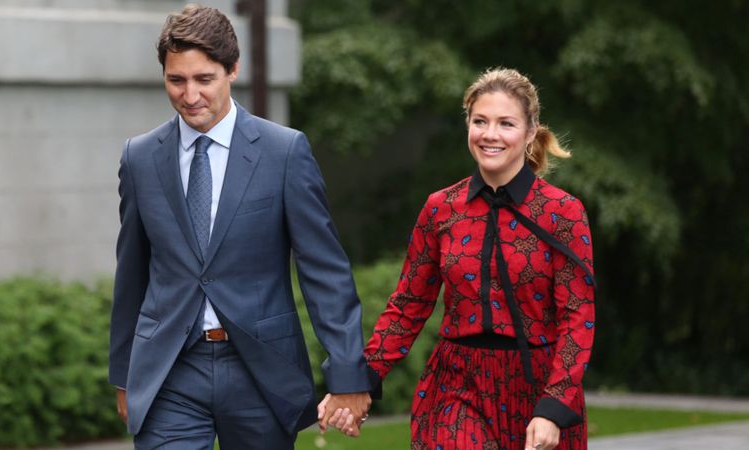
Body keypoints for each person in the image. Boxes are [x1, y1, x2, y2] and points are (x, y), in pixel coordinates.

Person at [108, 5, 371, 449]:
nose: (190, 95)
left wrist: (347, 372)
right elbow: (131, 272)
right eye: (177, 80)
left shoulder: (284, 152)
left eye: (203, 79)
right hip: (170, 370)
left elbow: (324, 271)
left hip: (260, 371)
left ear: (233, 69)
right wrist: (124, 375)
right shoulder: (140, 157)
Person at [325, 68, 595, 449]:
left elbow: (578, 317)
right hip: (457, 385)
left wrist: (554, 405)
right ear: (468, 124)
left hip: (539, 386)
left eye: (506, 123)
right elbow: (408, 305)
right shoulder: (441, 209)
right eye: (480, 121)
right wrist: (361, 378)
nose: (490, 134)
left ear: (531, 131)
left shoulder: (562, 212)